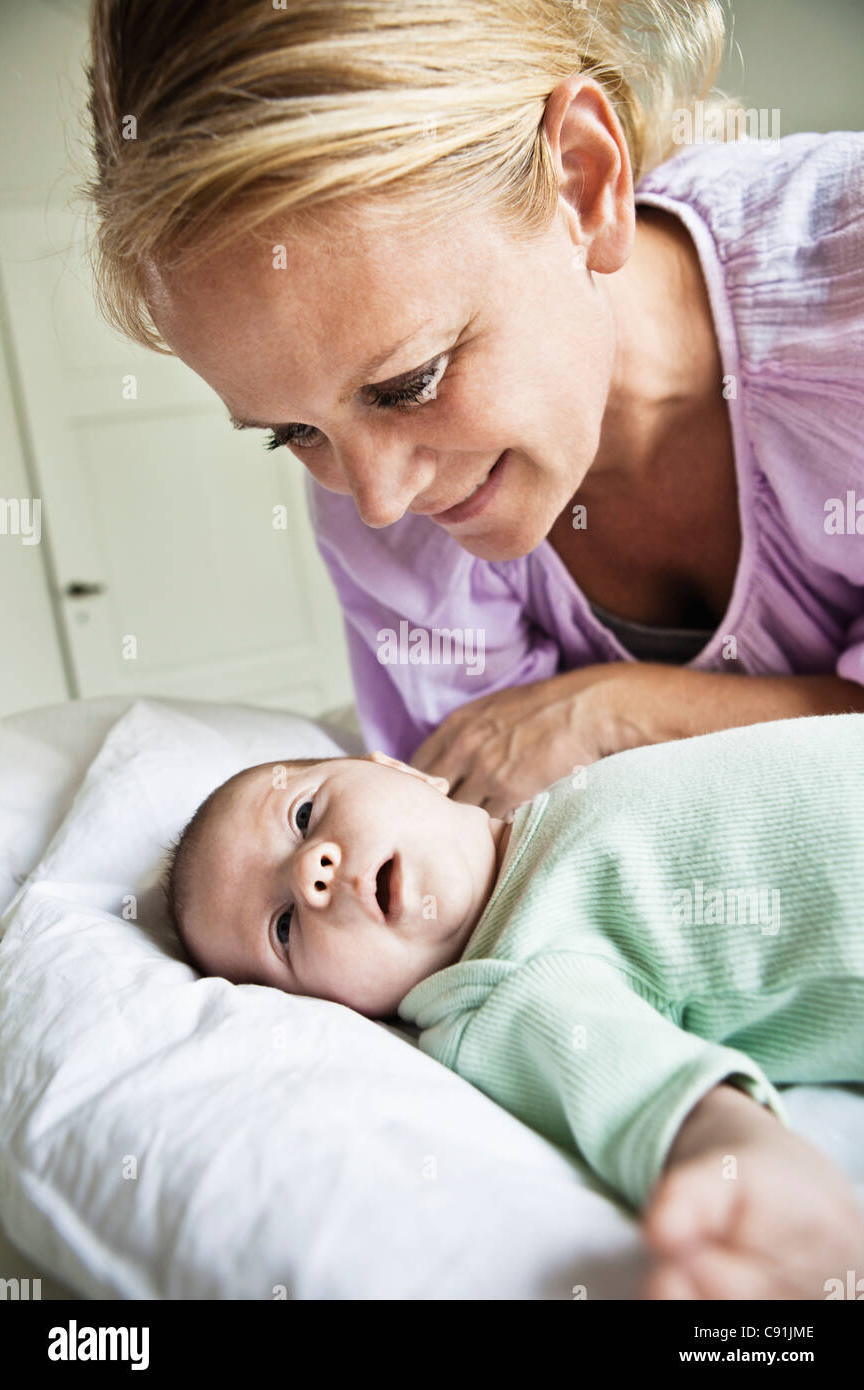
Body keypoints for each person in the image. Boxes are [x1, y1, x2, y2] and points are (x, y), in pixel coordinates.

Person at [81, 0, 864, 820]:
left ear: (582, 183)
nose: (382, 503)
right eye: (295, 433)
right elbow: (477, 843)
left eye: (412, 383)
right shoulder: (371, 509)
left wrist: (615, 716)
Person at [161, 710, 864, 1301]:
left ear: (402, 771)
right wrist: (748, 1162)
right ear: (338, 1008)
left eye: (304, 813)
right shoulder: (502, 982)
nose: (311, 873)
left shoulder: (551, 813)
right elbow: (643, 1086)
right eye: (283, 928)